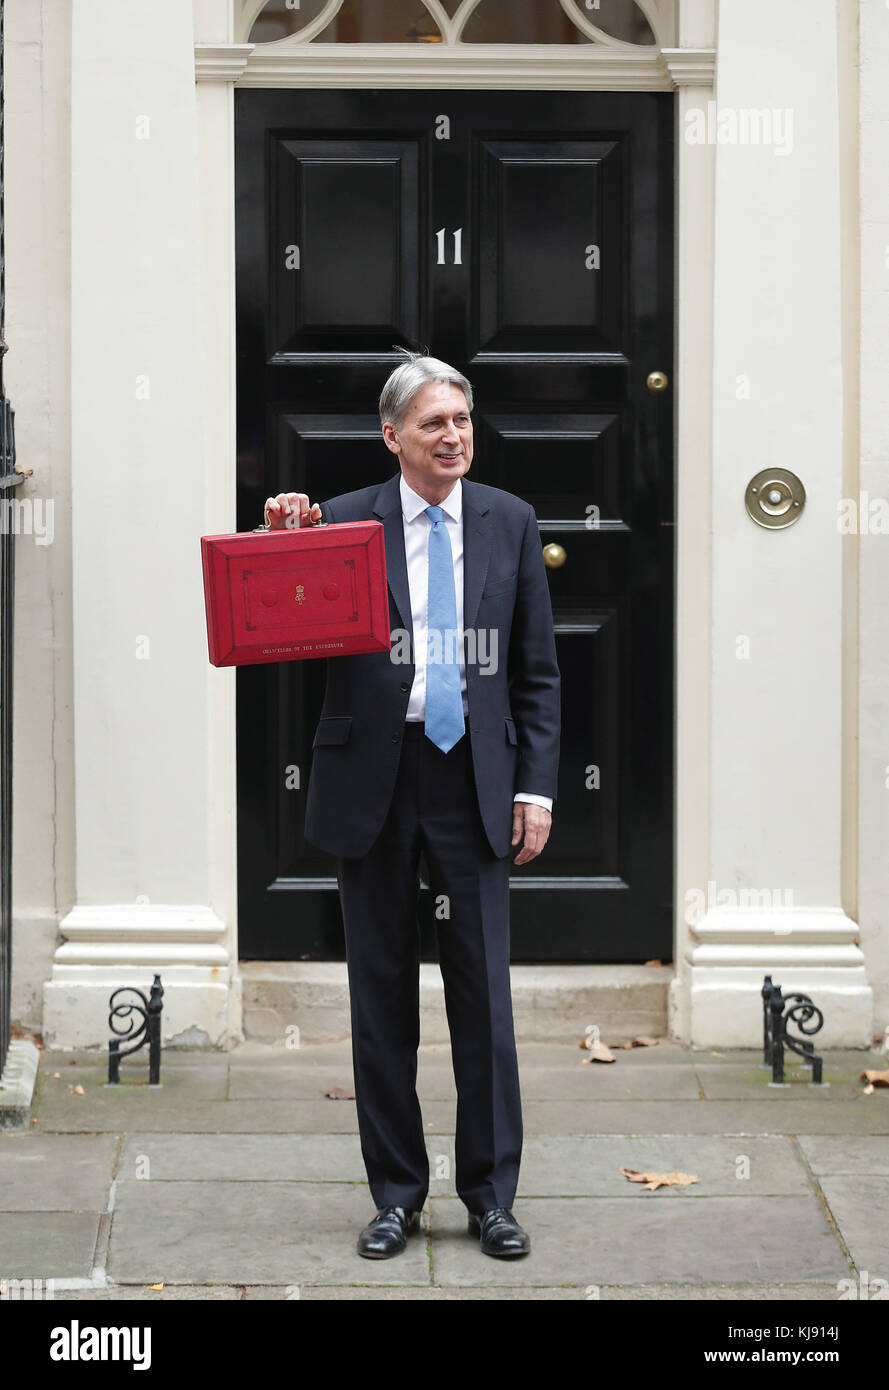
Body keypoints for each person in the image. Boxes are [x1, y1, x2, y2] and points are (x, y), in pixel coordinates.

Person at [264, 353, 560, 1260]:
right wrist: (279, 536)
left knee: (484, 1003)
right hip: (375, 782)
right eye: (433, 423)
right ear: (392, 436)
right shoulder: (343, 519)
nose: (452, 436)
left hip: (473, 777)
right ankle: (395, 1194)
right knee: (379, 996)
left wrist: (535, 784)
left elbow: (537, 671)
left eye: (461, 421)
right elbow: (273, 614)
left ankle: (490, 1197)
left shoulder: (509, 522)